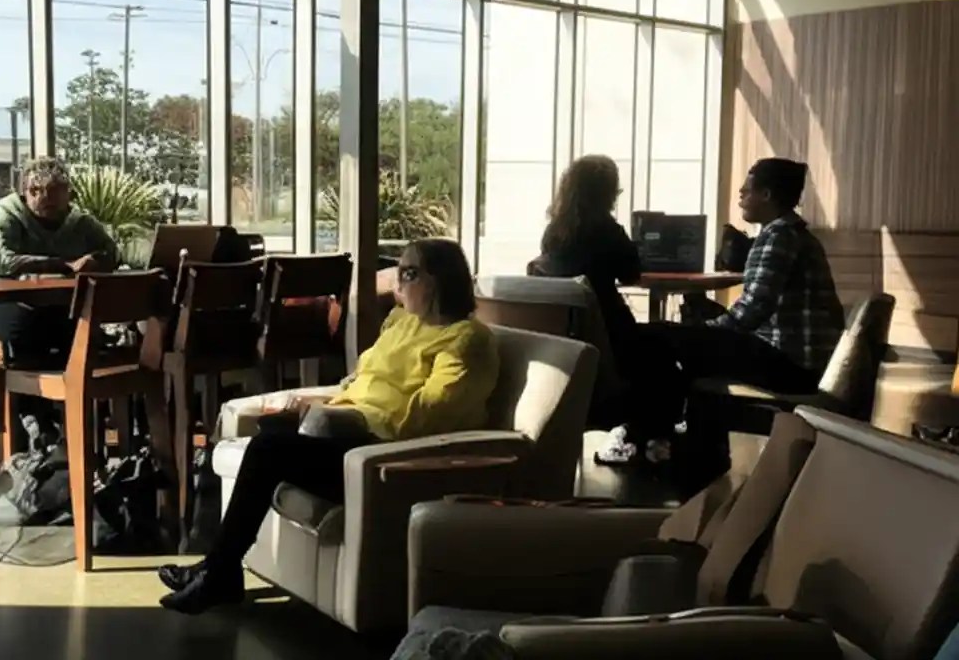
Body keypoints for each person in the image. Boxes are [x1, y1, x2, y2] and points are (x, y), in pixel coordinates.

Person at [157, 238, 500, 615]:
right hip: (348, 434)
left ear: (439, 282)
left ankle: (219, 574)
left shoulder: (466, 341)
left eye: (409, 273)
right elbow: (361, 380)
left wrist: (356, 416)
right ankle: (214, 566)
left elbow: (433, 414)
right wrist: (323, 403)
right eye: (398, 271)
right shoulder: (401, 321)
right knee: (239, 437)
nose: (398, 283)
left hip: (381, 455)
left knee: (268, 451)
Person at [650, 157, 844, 430]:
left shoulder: (779, 236)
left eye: (747, 189)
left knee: (661, 337)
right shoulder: (793, 235)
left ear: (766, 195)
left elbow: (753, 310)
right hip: (801, 360)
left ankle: (662, 436)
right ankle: (690, 439)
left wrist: (706, 330)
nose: (740, 194)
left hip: (791, 366)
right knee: (684, 342)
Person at [532, 155, 684, 464]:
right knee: (666, 351)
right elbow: (631, 273)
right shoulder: (607, 231)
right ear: (608, 193)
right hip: (611, 338)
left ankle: (635, 437)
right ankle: (650, 438)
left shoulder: (553, 233)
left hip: (572, 339)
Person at [0, 156, 119, 368]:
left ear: (68, 193)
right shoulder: (4, 214)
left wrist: (96, 260)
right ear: (24, 192)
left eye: (55, 190)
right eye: (35, 190)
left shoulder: (78, 221)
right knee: (31, 327)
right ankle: (30, 395)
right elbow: (11, 261)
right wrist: (67, 266)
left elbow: (111, 250)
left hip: (50, 302)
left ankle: (77, 393)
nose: (44, 197)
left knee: (81, 325)